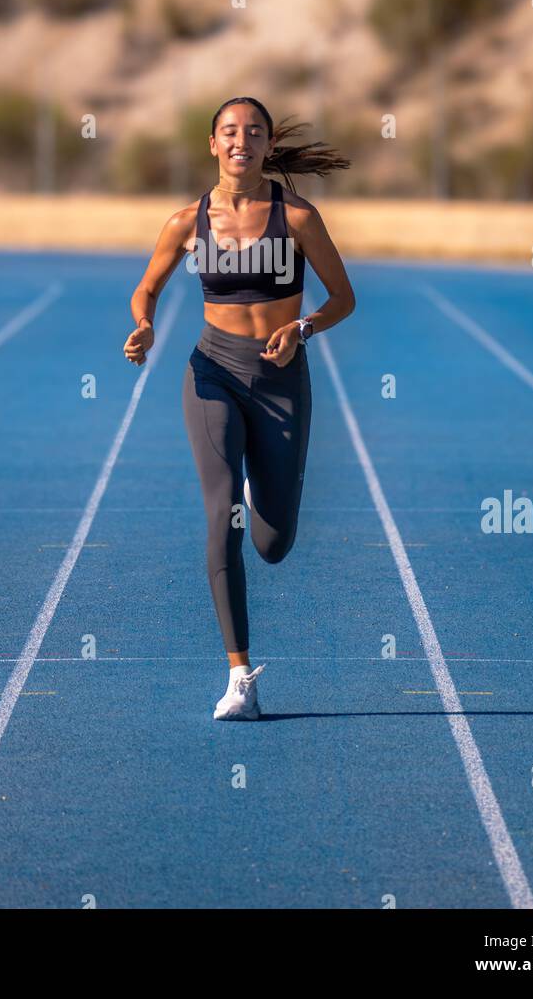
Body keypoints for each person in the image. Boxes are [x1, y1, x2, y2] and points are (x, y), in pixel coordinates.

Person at [124, 96, 355, 719]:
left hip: (280, 379)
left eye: (253, 131)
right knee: (219, 512)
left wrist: (303, 329)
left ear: (266, 144)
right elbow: (147, 287)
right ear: (212, 143)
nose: (240, 140)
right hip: (212, 372)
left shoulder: (299, 217)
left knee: (274, 542)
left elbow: (344, 299)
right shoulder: (185, 221)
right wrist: (144, 325)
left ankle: (263, 491)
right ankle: (239, 677)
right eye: (230, 131)